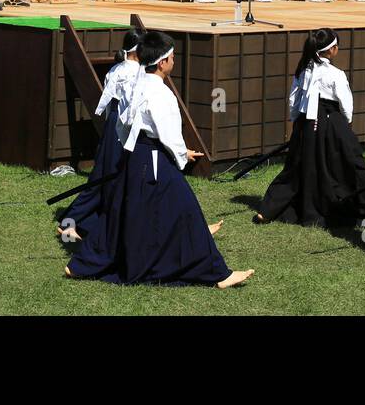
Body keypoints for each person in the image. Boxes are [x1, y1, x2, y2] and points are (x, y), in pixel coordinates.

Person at [65, 31, 253, 288]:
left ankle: (81, 264)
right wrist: (181, 156)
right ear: (163, 62)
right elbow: (168, 134)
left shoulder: (135, 83)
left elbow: (122, 122)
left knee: (124, 210)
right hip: (153, 157)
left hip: (134, 155)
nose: (174, 61)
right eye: (173, 57)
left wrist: (128, 149)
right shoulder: (162, 94)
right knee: (184, 206)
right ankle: (217, 273)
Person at [255, 28, 365, 227]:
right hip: (331, 120)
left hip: (305, 121)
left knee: (296, 167)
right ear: (332, 50)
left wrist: (298, 123)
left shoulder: (303, 70)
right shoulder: (336, 74)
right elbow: (346, 104)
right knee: (354, 165)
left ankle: (267, 210)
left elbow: (294, 100)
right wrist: (344, 125)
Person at [58, 30, 143, 240]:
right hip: (122, 125)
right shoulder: (134, 73)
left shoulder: (116, 69)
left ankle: (85, 222)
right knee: (106, 176)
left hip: (115, 123)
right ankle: (72, 220)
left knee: (111, 176)